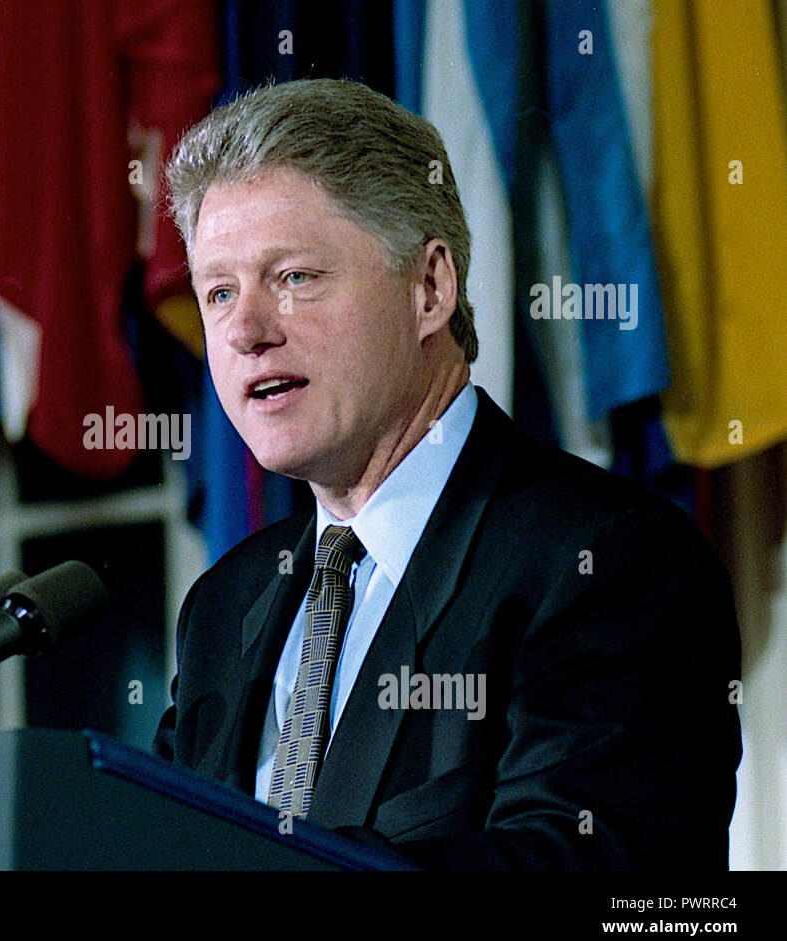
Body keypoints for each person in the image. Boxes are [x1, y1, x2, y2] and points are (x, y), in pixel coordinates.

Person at [152, 78, 742, 869]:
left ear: (430, 288)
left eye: (294, 277)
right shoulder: (225, 606)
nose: (246, 331)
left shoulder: (607, 562)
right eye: (218, 292)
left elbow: (593, 870)